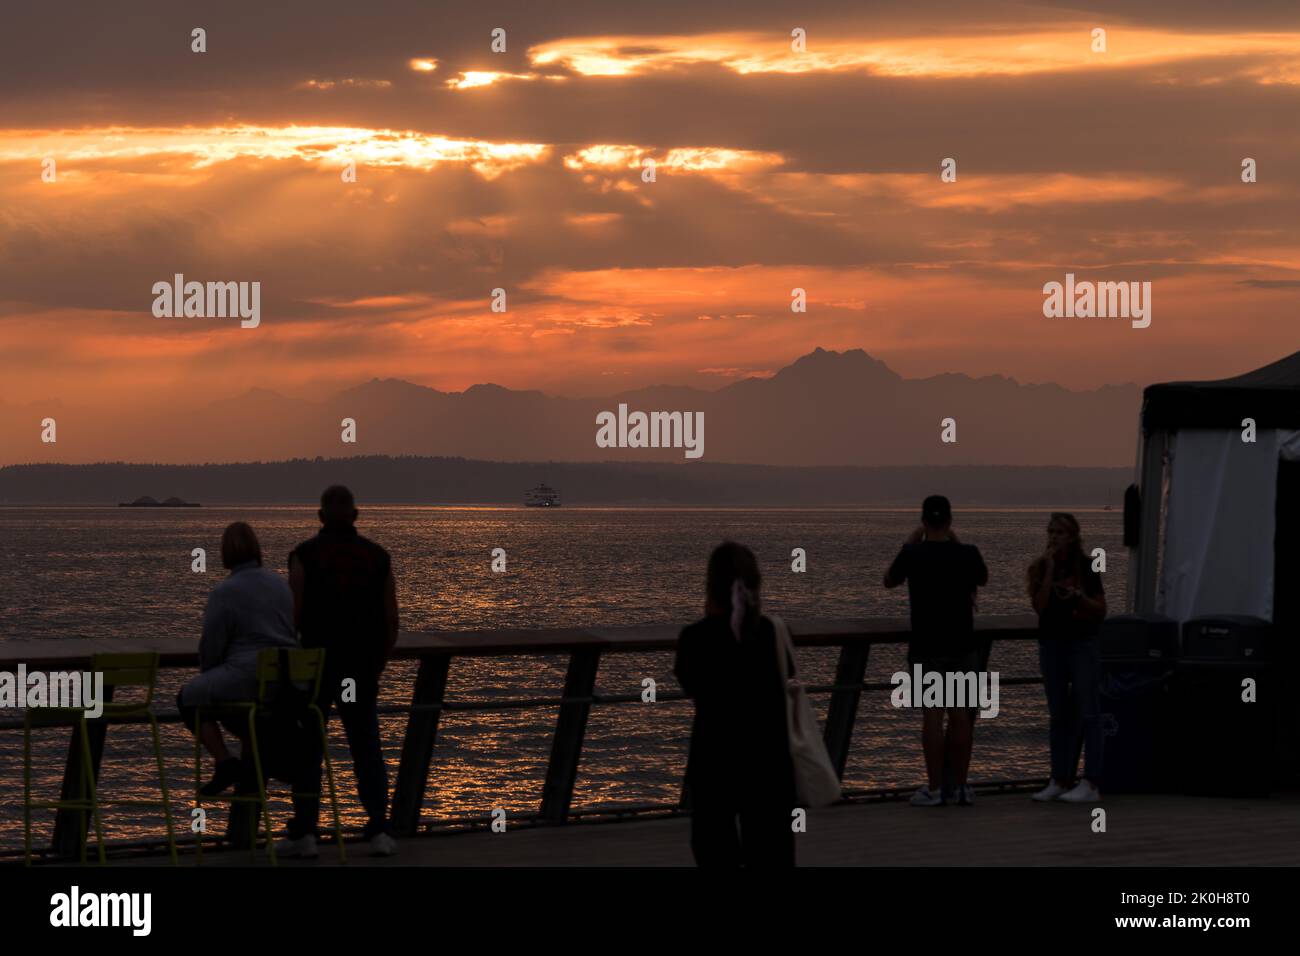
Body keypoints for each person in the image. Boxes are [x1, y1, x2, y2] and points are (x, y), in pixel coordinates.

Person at [282, 485, 400, 858]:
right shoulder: (378, 558)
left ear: (319, 517)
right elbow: (391, 618)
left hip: (316, 666)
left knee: (308, 747)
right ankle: (379, 827)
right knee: (365, 744)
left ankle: (305, 831)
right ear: (356, 515)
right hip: (359, 667)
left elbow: (293, 615)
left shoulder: (303, 556)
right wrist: (377, 662)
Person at [674, 542, 797, 867]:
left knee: (714, 848)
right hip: (769, 761)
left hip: (715, 760)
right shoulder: (772, 633)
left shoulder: (695, 638)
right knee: (773, 850)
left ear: (711, 586)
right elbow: (787, 678)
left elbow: (690, 683)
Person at [179, 522, 299, 797]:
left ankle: (224, 761)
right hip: (286, 680)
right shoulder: (281, 586)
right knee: (244, 718)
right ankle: (257, 767)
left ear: (225, 553)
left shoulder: (225, 592)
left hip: (248, 677)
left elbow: (211, 647)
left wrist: (209, 676)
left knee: (188, 699)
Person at [883, 495, 988, 807]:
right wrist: (956, 543)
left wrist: (909, 542)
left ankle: (935, 788)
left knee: (932, 716)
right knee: (960, 717)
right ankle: (961, 787)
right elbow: (982, 578)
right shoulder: (967, 554)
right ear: (950, 521)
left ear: (924, 521)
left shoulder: (913, 553)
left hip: (927, 646)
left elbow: (889, 580)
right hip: (962, 644)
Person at [1028, 512, 1106, 803]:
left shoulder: (1087, 567)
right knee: (1058, 714)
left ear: (1072, 536)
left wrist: (1078, 597)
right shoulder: (1039, 568)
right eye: (1050, 532)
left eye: (1060, 532)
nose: (1053, 537)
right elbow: (1039, 606)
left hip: (1082, 643)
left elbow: (1101, 609)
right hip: (1052, 644)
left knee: (1090, 712)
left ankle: (1091, 781)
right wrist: (1048, 572)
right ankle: (1059, 778)